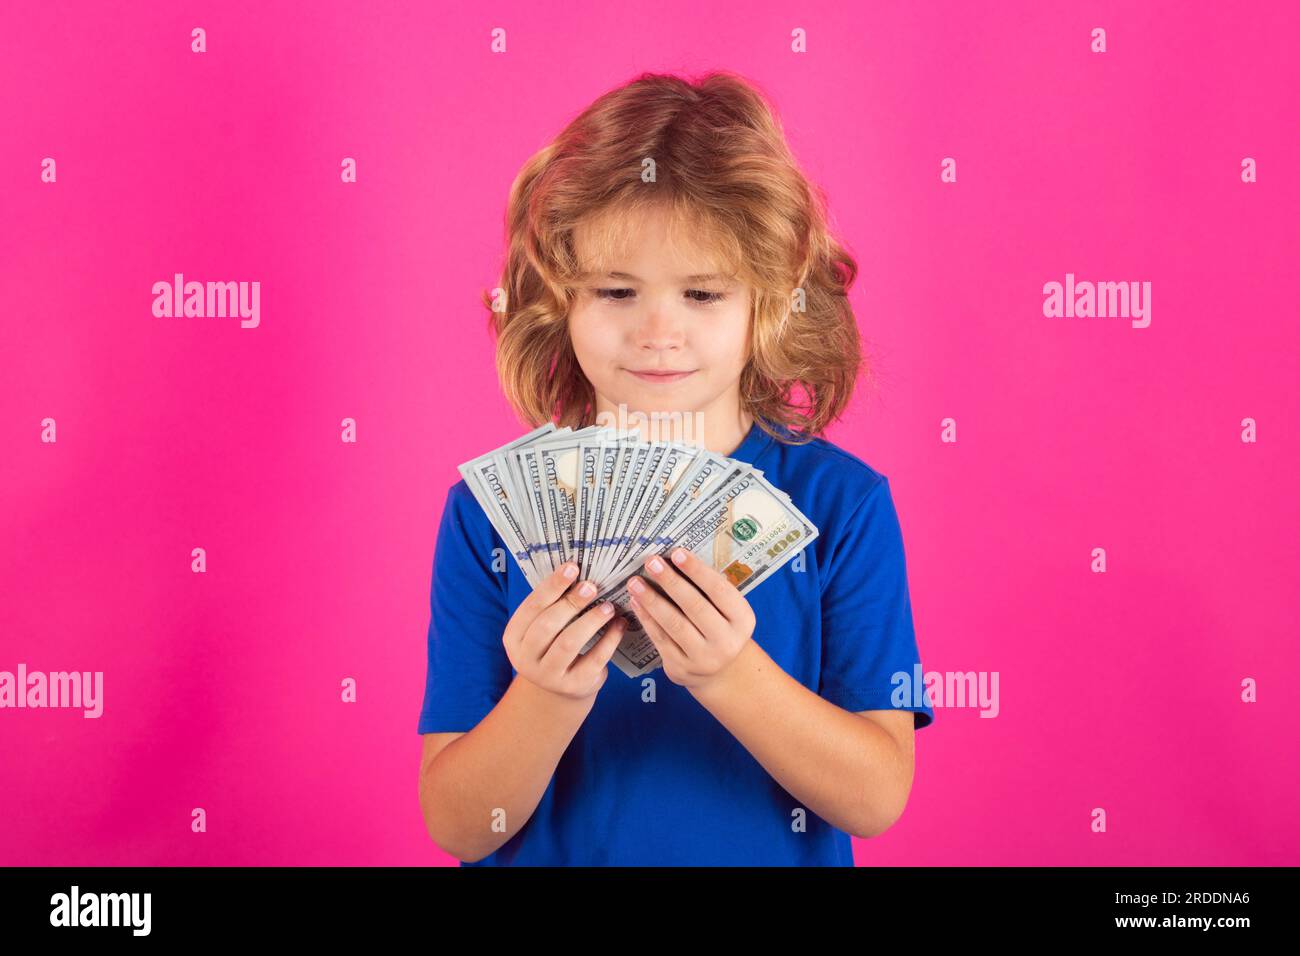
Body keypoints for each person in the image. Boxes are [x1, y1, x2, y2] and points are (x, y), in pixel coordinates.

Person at [417, 70, 935, 865]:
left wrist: (731, 675)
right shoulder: (486, 516)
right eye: (616, 291)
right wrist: (547, 694)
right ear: (560, 301)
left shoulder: (843, 505)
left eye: (702, 293)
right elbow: (459, 824)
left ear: (768, 301)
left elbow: (873, 798)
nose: (659, 332)